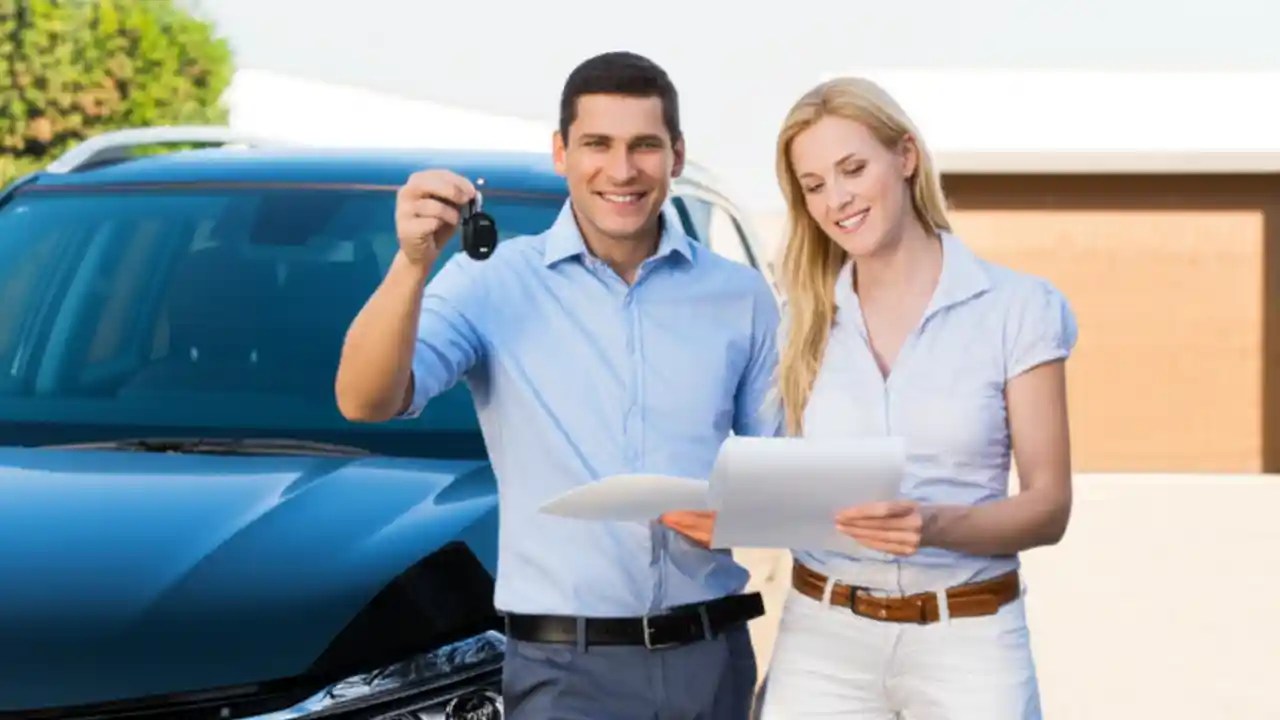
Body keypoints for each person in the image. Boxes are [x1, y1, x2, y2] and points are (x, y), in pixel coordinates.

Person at [334, 51, 780, 719]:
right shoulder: (491, 281)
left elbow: (781, 465)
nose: (622, 169)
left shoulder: (740, 295)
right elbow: (364, 400)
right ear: (561, 152)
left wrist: (748, 509)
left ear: (677, 155)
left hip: (710, 660)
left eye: (644, 146)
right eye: (597, 143)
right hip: (565, 673)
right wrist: (411, 265)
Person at [755, 76, 1077, 719]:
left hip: (970, 643)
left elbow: (1049, 508)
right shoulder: (796, 323)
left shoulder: (1015, 309)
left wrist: (932, 525)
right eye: (814, 186)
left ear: (905, 157)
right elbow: (778, 486)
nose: (837, 199)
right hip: (822, 641)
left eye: (852, 169)